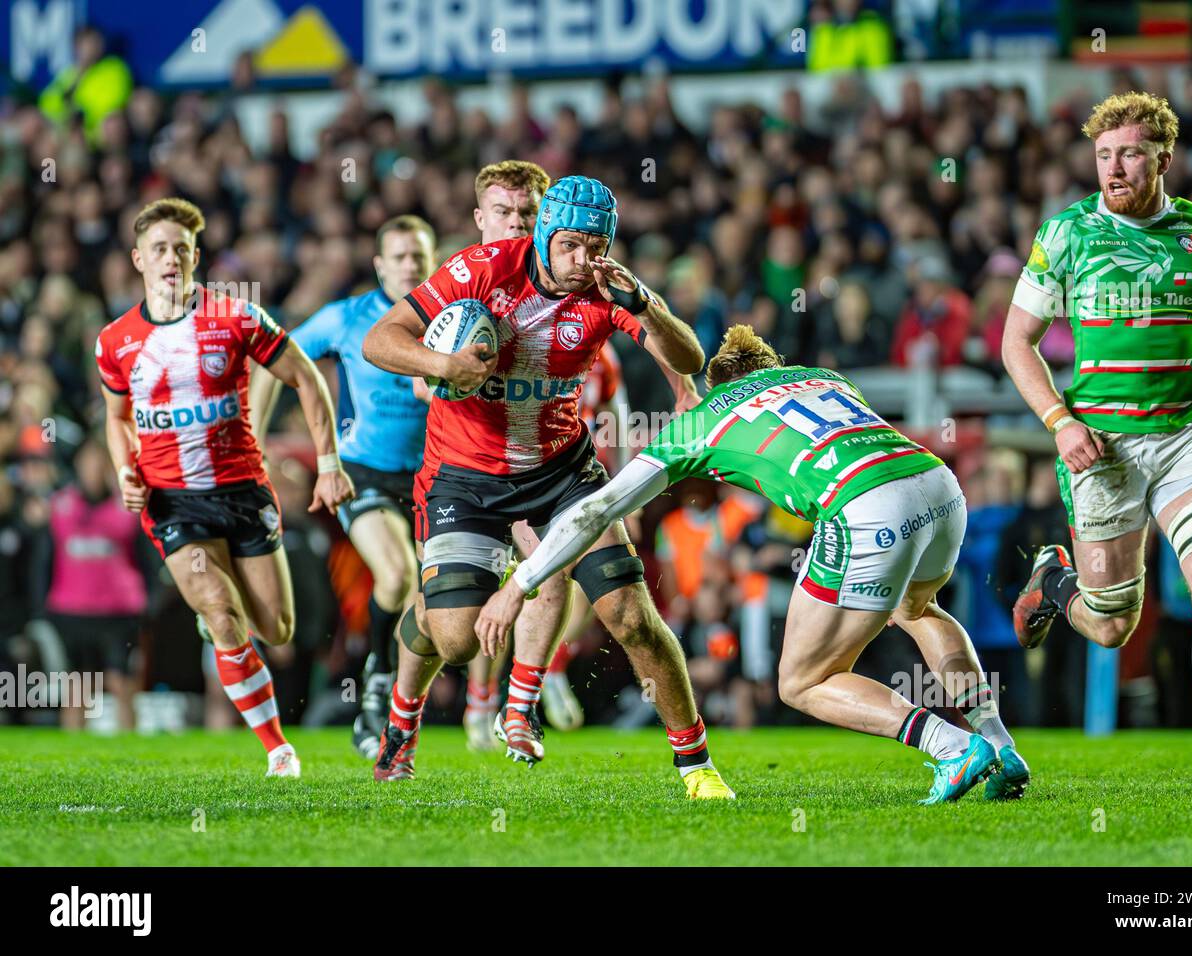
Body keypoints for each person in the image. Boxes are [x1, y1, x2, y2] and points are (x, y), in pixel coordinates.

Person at [477, 326, 1031, 804]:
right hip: (937, 485)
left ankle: (952, 746)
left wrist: (520, 582)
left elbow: (596, 510)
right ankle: (999, 744)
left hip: (864, 503)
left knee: (802, 680)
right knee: (918, 609)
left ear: (717, 384)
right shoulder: (822, 377)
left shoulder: (701, 421)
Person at [362, 175, 733, 798]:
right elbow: (380, 340)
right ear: (543, 236)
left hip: (563, 473)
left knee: (631, 615)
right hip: (466, 476)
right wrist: (443, 365)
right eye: (570, 245)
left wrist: (645, 303)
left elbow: (691, 359)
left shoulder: (608, 286)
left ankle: (696, 766)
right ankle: (402, 719)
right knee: (455, 638)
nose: (582, 259)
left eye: (595, 246)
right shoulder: (482, 269)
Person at [1002, 92, 1192, 791]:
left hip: (1186, 433)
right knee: (1109, 626)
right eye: (1104, 156)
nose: (1114, 168)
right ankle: (1053, 579)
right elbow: (1016, 343)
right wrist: (1060, 422)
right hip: (1101, 445)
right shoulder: (1067, 233)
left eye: (1129, 154)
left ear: (1164, 159)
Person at [96, 198, 354, 776]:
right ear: (139, 259)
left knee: (277, 629)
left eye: (181, 249)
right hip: (172, 501)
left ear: (196, 256)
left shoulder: (236, 317)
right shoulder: (115, 341)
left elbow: (306, 377)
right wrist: (125, 469)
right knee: (219, 610)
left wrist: (329, 463)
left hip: (242, 492)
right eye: (159, 249)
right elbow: (116, 419)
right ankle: (278, 749)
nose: (171, 259)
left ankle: (221, 616)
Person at [249, 214, 435, 758]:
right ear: (379, 265)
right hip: (363, 471)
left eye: (418, 256)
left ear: (432, 263)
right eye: (399, 256)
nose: (409, 265)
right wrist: (253, 443)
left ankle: (392, 694)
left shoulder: (453, 317)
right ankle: (376, 680)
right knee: (396, 575)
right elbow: (273, 357)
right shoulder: (348, 318)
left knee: (434, 607)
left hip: (433, 477)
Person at [39, 439, 147, 730]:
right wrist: (42, 608)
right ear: (78, 467)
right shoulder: (60, 507)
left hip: (118, 611)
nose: (94, 470)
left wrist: (149, 602)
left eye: (101, 464)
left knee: (121, 682)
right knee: (77, 685)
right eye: (88, 463)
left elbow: (147, 560)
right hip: (71, 610)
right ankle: (72, 751)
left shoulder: (128, 508)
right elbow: (43, 560)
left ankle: (130, 748)